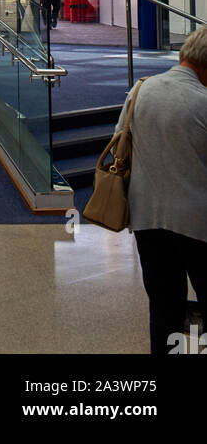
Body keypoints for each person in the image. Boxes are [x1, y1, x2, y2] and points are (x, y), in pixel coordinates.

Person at [113, 26, 207, 355]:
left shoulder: (141, 91)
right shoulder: (203, 101)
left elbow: (119, 145)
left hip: (146, 220)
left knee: (163, 307)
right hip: (197, 224)